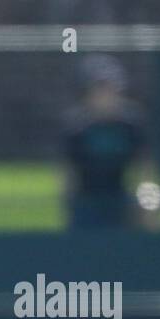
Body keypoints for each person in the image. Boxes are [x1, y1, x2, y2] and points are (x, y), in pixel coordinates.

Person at [61, 55, 148, 230]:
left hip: (120, 200)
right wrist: (69, 205)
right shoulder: (77, 128)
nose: (106, 96)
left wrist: (147, 207)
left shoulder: (131, 126)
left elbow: (144, 171)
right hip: (86, 202)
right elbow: (67, 173)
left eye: (110, 90)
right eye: (100, 90)